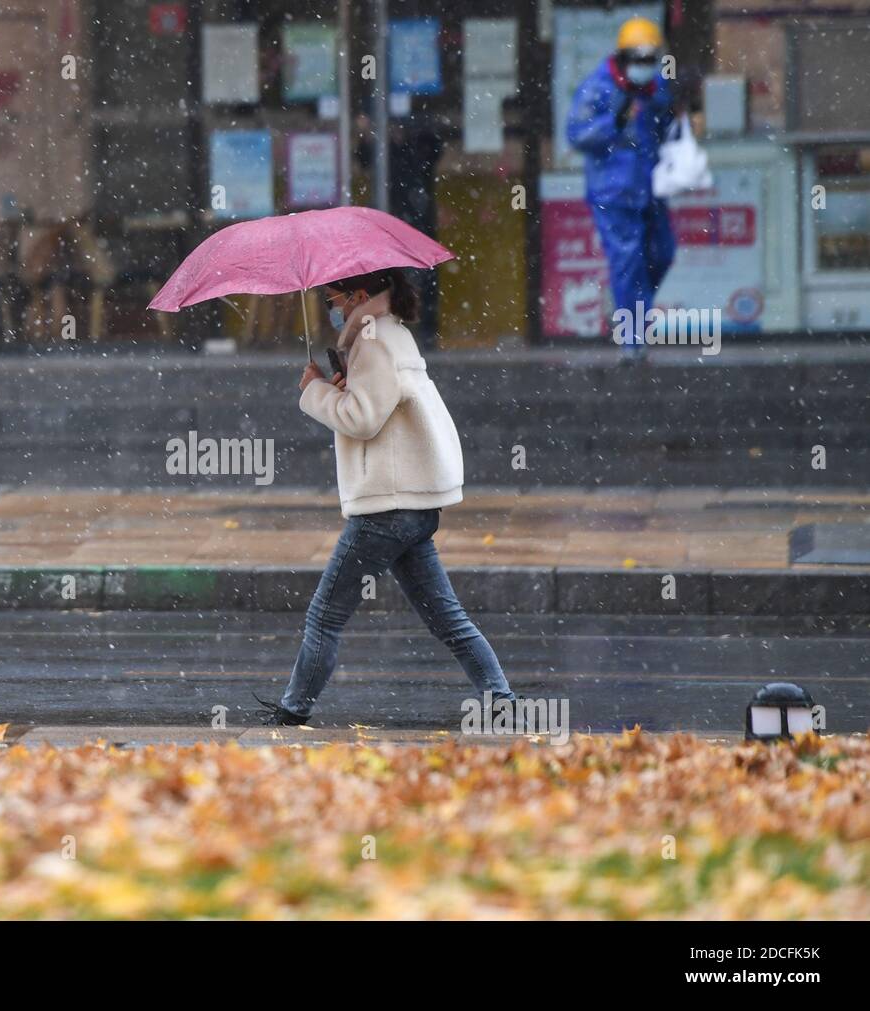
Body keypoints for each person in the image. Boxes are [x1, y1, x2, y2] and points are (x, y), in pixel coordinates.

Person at [255, 268, 515, 726]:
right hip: (413, 503)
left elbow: (362, 421)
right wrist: (344, 386)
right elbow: (385, 407)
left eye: (334, 300)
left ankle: (293, 711)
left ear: (358, 295)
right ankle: (501, 699)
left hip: (386, 506)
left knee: (325, 616)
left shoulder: (371, 342)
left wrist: (315, 391)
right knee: (447, 619)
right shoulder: (393, 334)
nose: (332, 309)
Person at [566, 16, 676, 361]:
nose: (646, 67)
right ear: (623, 57)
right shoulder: (597, 88)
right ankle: (632, 338)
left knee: (662, 252)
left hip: (649, 185)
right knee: (627, 259)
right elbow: (577, 134)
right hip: (612, 191)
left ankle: (634, 309)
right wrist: (613, 122)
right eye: (639, 60)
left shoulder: (655, 86)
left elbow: (664, 122)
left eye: (650, 59)